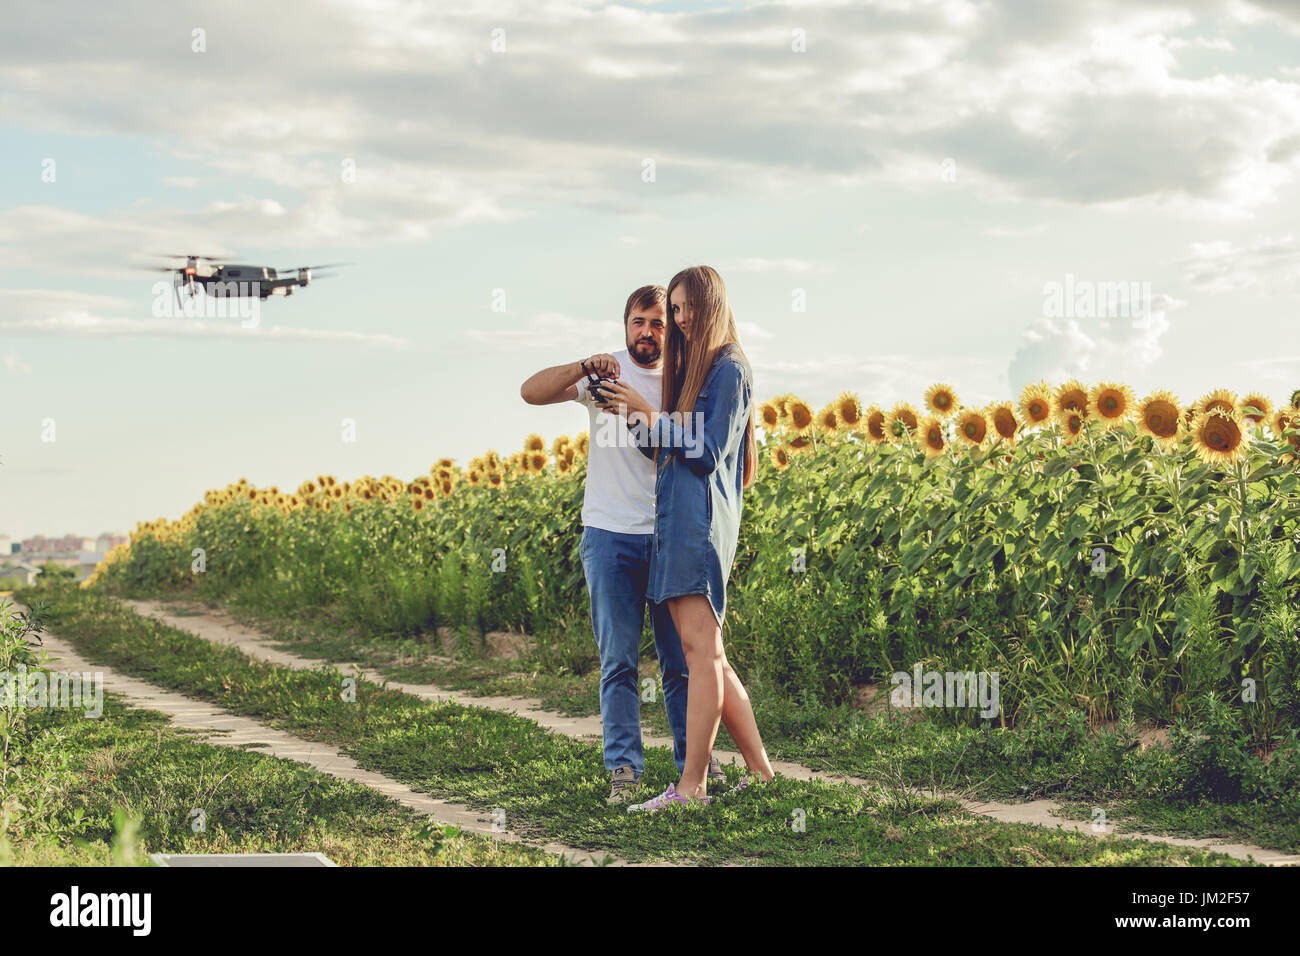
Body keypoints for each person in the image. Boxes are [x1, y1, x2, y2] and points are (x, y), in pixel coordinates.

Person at [519, 284, 726, 804]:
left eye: (659, 322)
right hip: (609, 535)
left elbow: (694, 452)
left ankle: (692, 769)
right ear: (625, 324)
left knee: (680, 664)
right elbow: (530, 391)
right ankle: (624, 772)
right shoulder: (604, 373)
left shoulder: (685, 381)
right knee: (619, 663)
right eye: (639, 322)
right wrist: (577, 368)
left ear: (672, 327)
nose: (649, 332)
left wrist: (642, 416)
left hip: (667, 538)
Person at [598, 265, 777, 813]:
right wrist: (635, 417)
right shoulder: (702, 370)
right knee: (714, 661)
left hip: (696, 528)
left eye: (686, 307)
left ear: (713, 304)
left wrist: (649, 412)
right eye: (673, 310)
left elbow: (704, 451)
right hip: (679, 524)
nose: (678, 319)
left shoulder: (729, 368)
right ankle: (765, 777)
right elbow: (671, 450)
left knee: (702, 657)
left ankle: (692, 786)